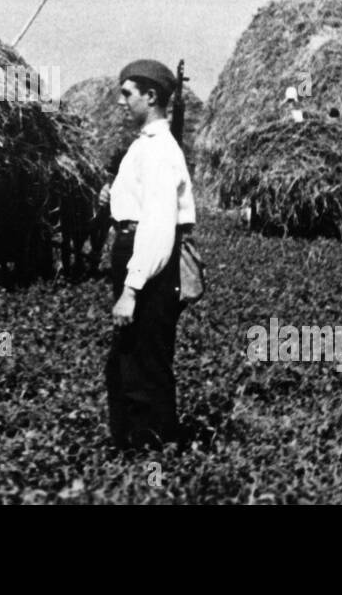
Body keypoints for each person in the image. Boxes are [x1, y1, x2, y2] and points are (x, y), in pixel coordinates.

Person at [107, 59, 197, 450]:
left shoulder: (160, 150)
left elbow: (158, 228)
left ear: (152, 96)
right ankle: (135, 444)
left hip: (149, 261)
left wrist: (132, 289)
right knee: (129, 360)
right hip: (135, 249)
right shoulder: (146, 145)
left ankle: (153, 455)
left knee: (145, 361)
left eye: (128, 93)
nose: (122, 101)